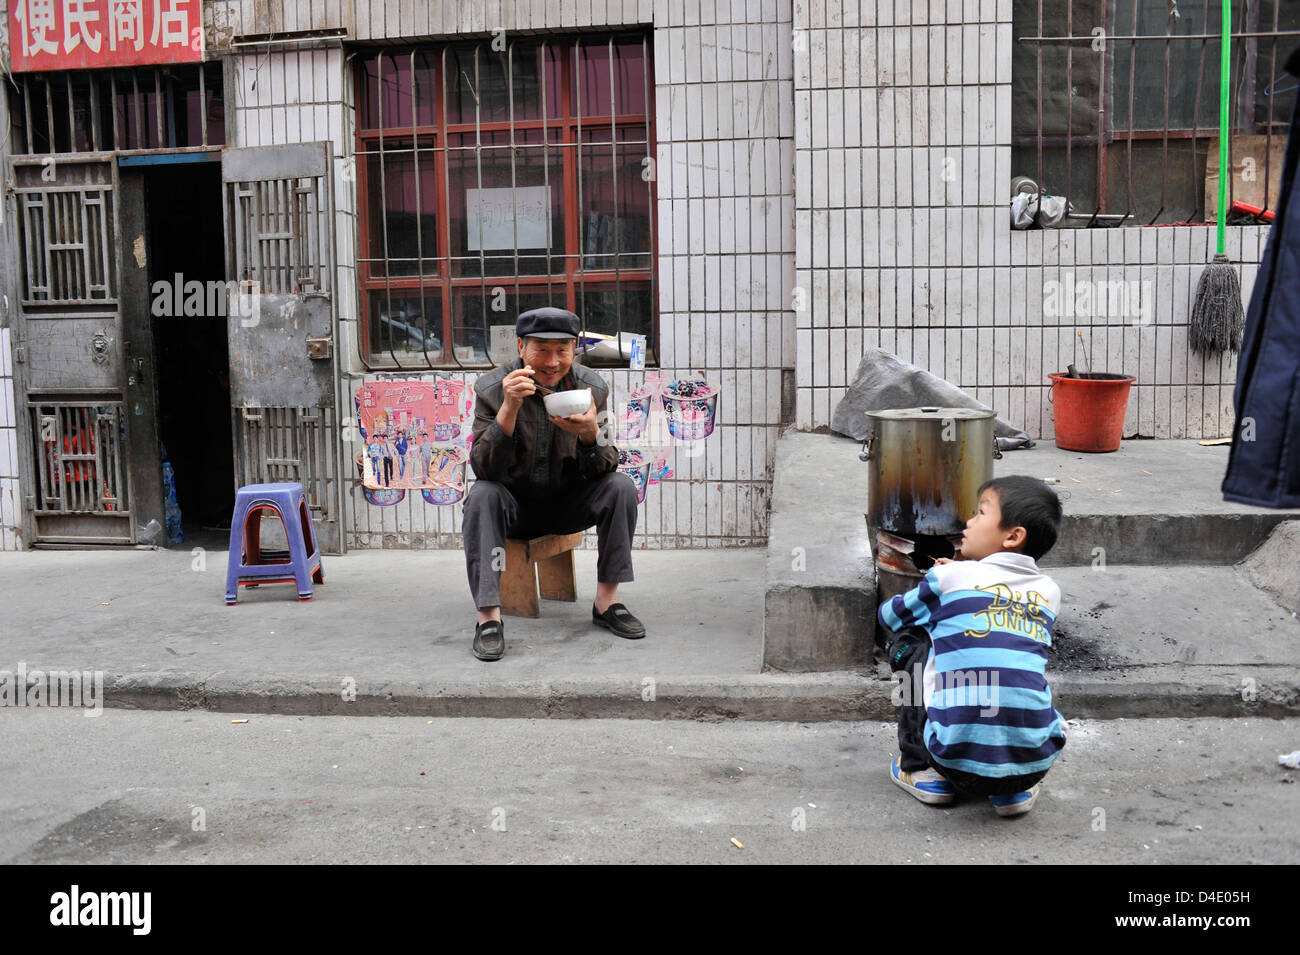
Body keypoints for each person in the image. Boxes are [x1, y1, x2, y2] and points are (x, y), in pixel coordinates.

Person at [878, 475, 1067, 817]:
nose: (969, 521)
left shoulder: (949, 578)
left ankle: (923, 769)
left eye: (981, 513)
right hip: (1035, 763)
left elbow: (891, 617)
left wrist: (936, 586)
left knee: (914, 640)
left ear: (1013, 536)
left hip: (955, 762)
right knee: (1016, 657)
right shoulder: (1049, 592)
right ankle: (1011, 790)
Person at [462, 307, 643, 662]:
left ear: (574, 349)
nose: (552, 361)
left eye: (562, 350)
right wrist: (509, 409)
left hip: (567, 504)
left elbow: (608, 464)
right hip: (513, 508)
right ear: (520, 347)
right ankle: (488, 619)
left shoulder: (591, 388)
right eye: (541, 349)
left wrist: (591, 435)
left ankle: (607, 602)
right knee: (482, 495)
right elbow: (484, 468)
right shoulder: (492, 389)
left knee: (620, 486)